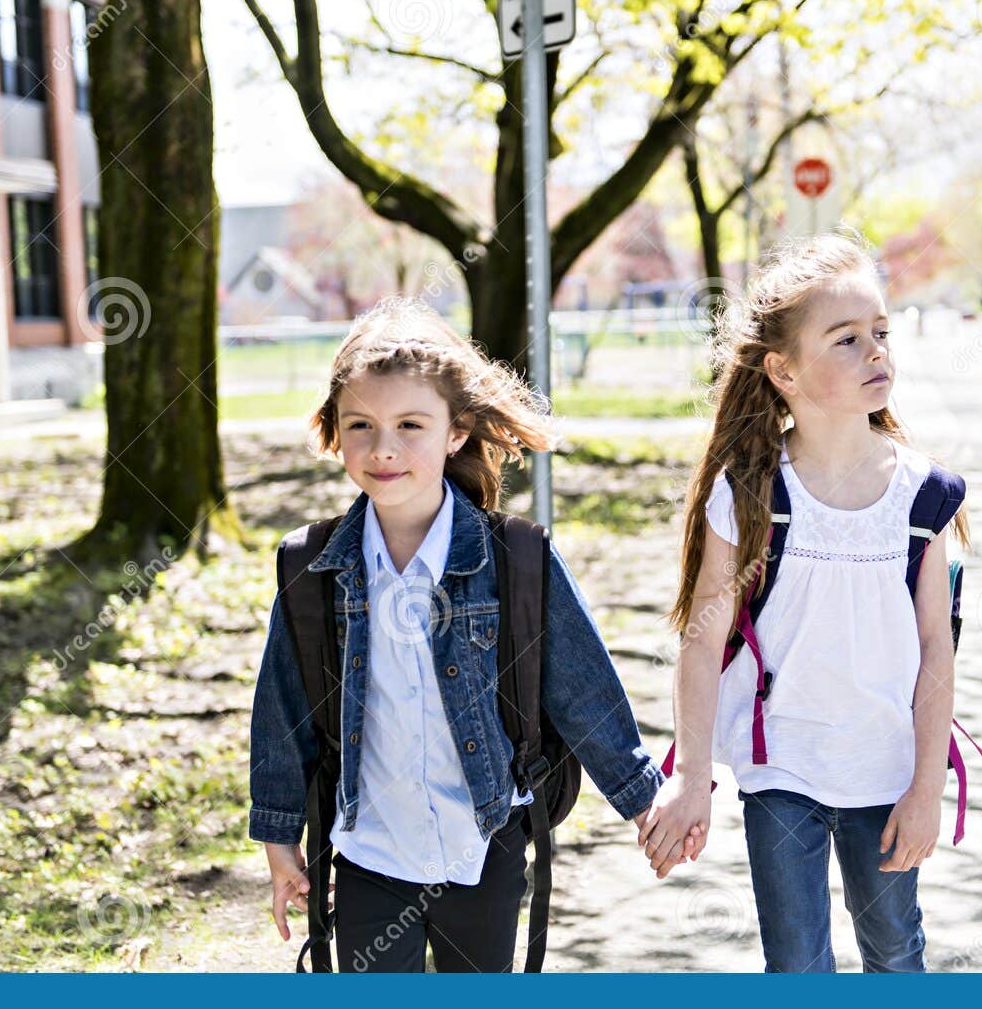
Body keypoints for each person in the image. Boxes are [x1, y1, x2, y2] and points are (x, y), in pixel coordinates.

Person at [249, 298, 692, 972]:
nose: (383, 447)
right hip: (369, 853)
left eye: (410, 424)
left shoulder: (514, 559)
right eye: (360, 424)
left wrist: (642, 801)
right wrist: (280, 837)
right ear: (335, 432)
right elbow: (283, 711)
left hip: (484, 847)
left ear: (456, 430)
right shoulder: (312, 569)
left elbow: (581, 688)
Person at [638, 231, 971, 972]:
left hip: (885, 769)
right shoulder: (751, 488)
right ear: (782, 370)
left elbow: (935, 649)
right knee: (796, 966)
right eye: (846, 339)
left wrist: (925, 785)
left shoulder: (922, 495)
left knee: (893, 949)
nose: (876, 351)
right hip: (779, 763)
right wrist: (693, 775)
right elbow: (703, 635)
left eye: (880, 331)